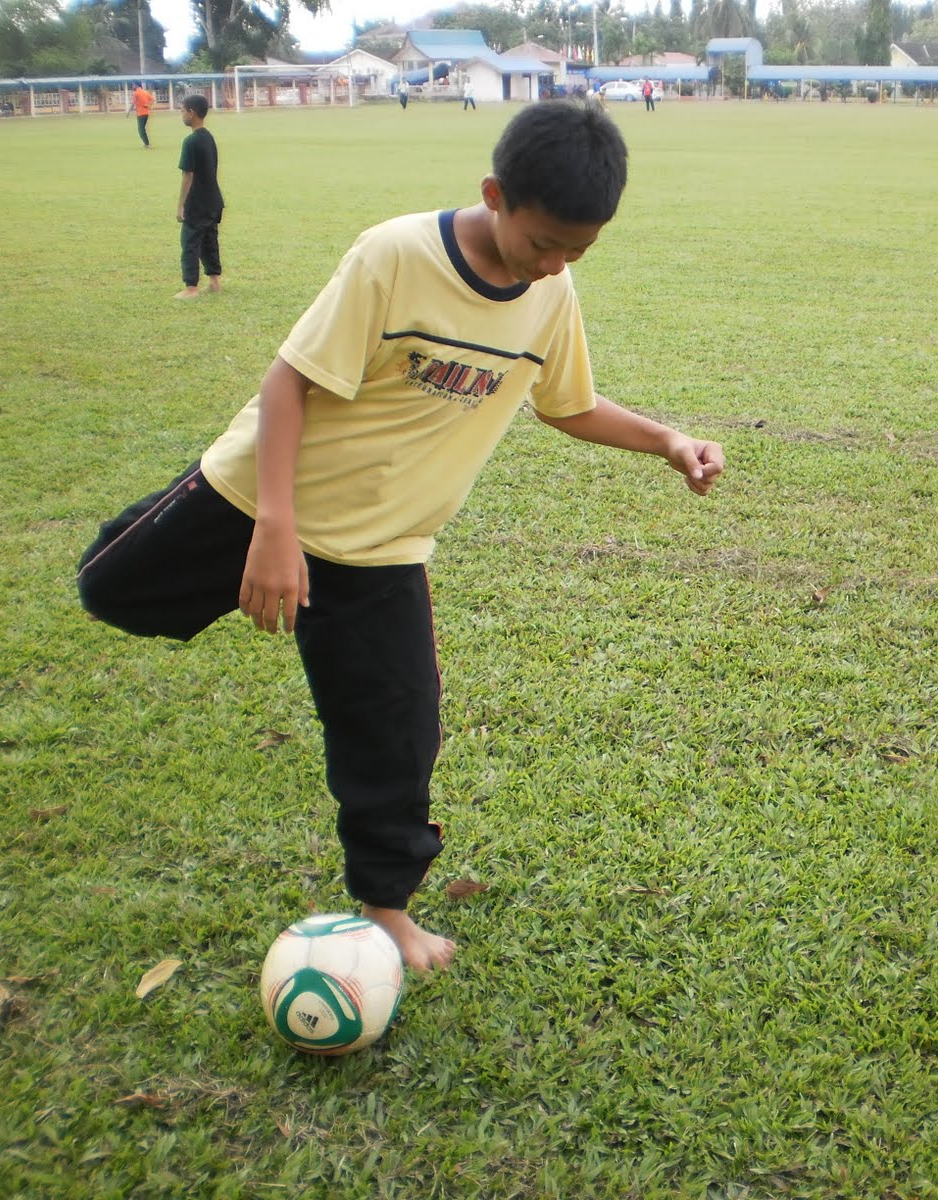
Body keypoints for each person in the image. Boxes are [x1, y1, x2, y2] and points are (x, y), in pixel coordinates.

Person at [76, 101, 726, 974]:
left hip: (381, 554)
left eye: (578, 250)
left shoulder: (550, 293)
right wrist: (274, 528)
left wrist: (668, 441)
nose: (555, 264)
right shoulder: (395, 255)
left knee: (396, 739)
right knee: (109, 590)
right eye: (544, 242)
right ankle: (243, 566)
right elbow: (287, 385)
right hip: (256, 500)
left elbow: (566, 402)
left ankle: (386, 909)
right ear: (495, 194)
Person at [174, 95, 223, 300]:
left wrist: (180, 206)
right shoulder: (208, 136)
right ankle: (214, 281)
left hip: (197, 202)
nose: (181, 114)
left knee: (191, 242)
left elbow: (188, 174)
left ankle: (191, 287)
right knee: (209, 240)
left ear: (191, 113)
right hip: (214, 200)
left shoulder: (191, 141)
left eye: (183, 110)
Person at [128, 82, 155, 148]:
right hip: (146, 113)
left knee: (141, 130)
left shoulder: (136, 93)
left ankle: (147, 144)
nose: (132, 87)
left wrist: (128, 112)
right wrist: (148, 106)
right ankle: (147, 144)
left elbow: (133, 104)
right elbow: (153, 99)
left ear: (137, 85)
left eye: (133, 85)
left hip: (140, 114)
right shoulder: (145, 92)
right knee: (142, 129)